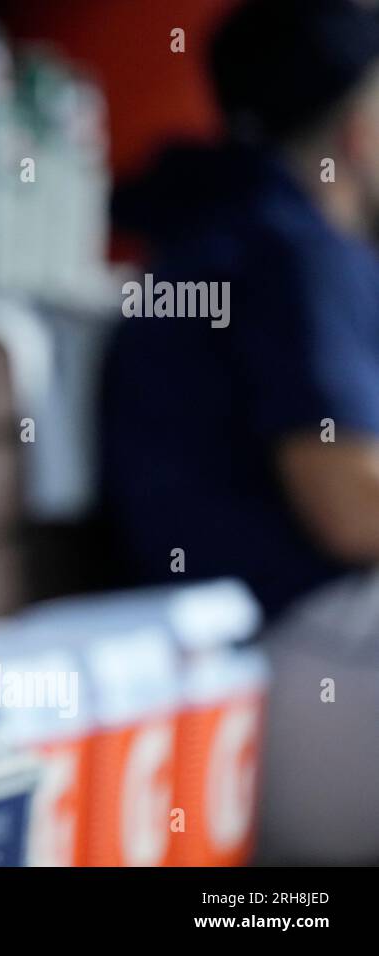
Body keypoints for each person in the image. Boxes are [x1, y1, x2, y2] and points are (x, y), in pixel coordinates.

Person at [100, 0, 379, 863]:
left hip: (264, 648)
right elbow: (353, 509)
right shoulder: (283, 245)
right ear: (361, 127)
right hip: (249, 657)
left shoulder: (255, 222)